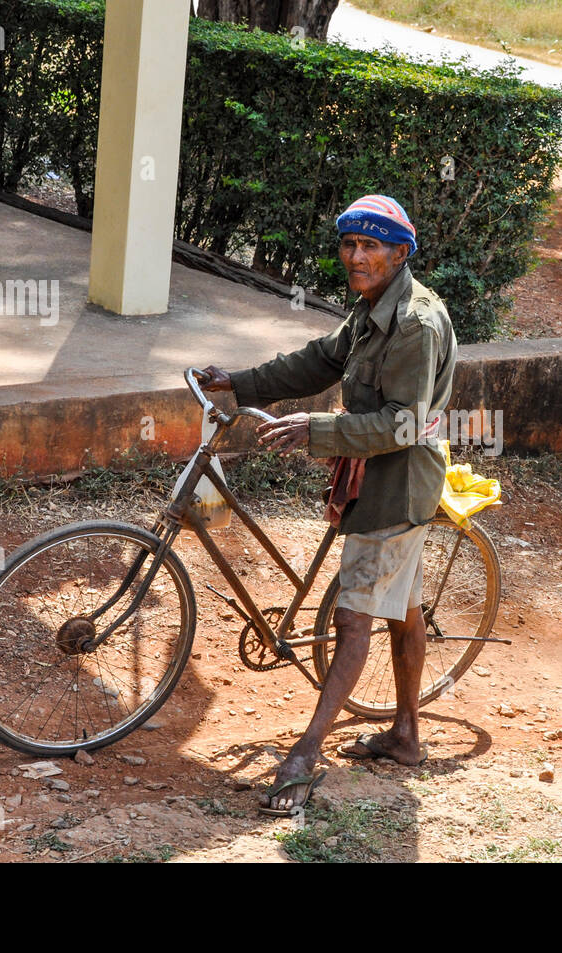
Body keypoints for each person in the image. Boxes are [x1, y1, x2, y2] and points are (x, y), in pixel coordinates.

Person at [199, 194, 457, 816]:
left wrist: (314, 431)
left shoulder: (415, 325)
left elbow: (401, 423)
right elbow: (320, 360)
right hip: (374, 469)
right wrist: (242, 381)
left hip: (398, 483)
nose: (357, 256)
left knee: (354, 617)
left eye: (371, 247)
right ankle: (405, 735)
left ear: (401, 255)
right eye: (349, 245)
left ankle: (305, 755)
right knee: (402, 607)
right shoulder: (371, 310)